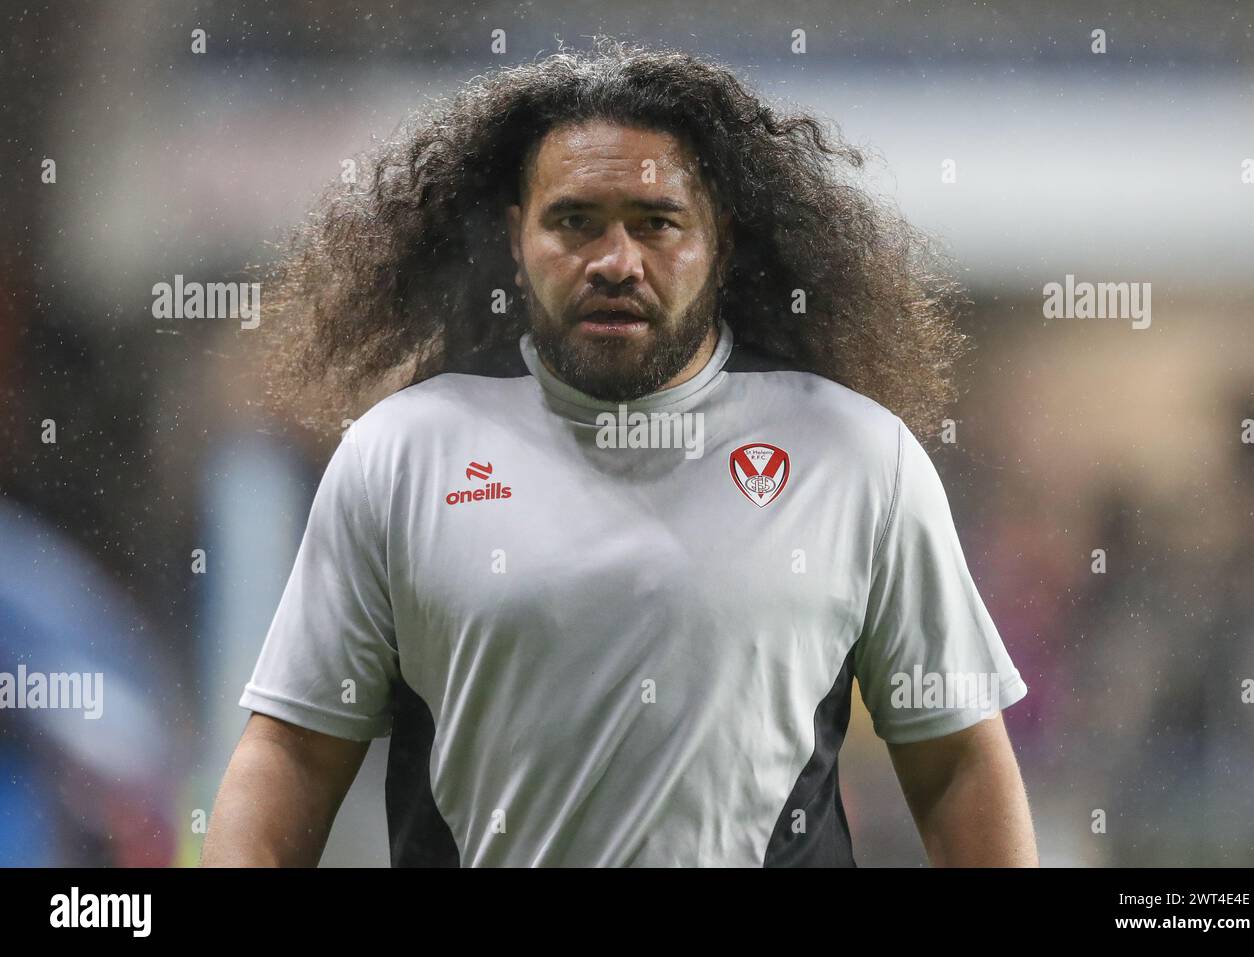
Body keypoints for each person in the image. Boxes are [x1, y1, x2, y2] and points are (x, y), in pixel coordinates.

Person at [203, 39, 1036, 867]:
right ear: (516, 238)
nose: (615, 261)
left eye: (656, 224)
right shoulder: (401, 452)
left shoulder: (856, 455)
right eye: (574, 222)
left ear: (722, 240)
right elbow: (293, 755)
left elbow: (957, 759)